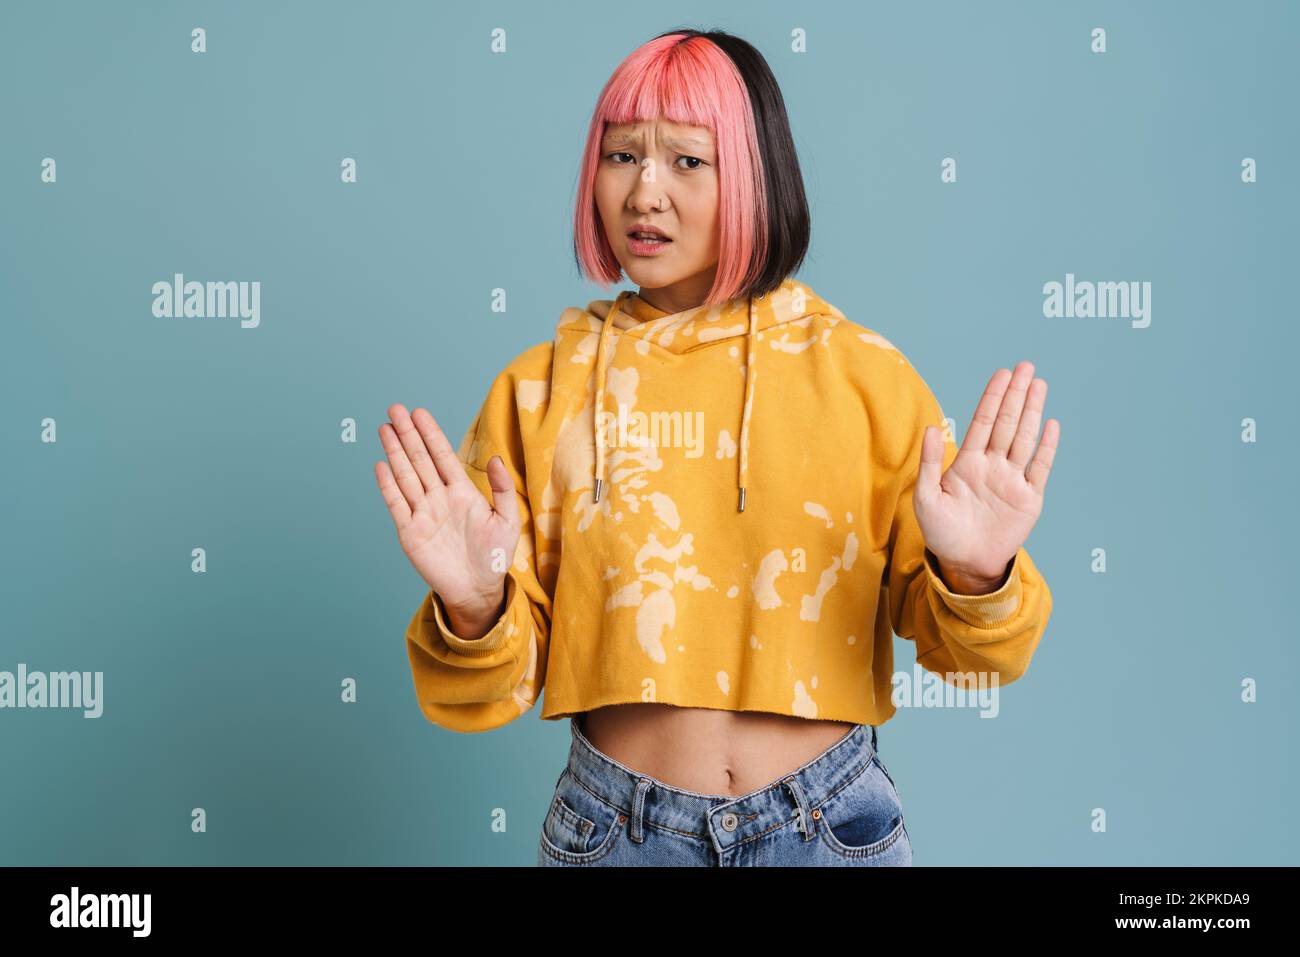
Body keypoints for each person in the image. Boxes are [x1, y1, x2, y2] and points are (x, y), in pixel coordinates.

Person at [375, 28, 1057, 866]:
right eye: (622, 155)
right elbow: (489, 691)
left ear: (756, 177)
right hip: (615, 831)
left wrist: (977, 575)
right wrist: (476, 606)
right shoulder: (539, 390)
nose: (644, 193)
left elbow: (971, 657)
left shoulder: (865, 378)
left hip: (830, 830)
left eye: (687, 162)